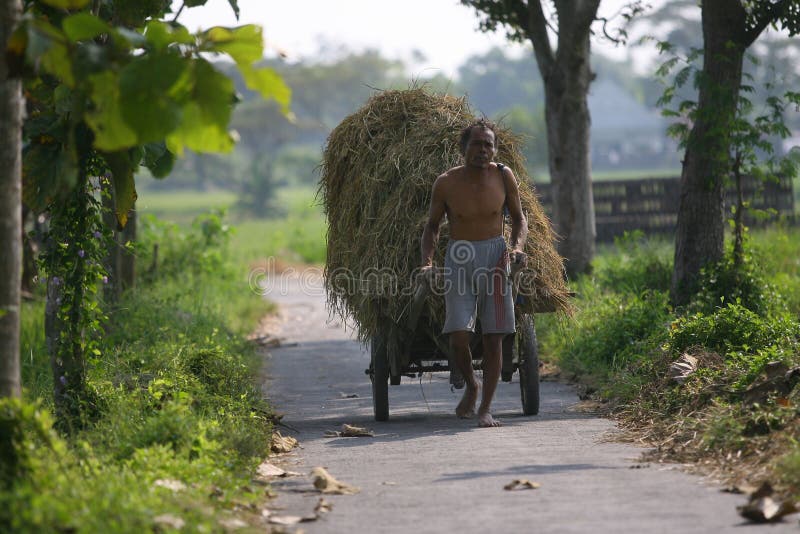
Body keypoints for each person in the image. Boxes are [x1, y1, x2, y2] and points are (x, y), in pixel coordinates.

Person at [420, 119, 528, 428]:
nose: (483, 150)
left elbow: (520, 220)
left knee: (495, 338)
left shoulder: (504, 176)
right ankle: (472, 384)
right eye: (477, 144)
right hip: (459, 256)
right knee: (458, 336)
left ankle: (485, 408)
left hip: (496, 256)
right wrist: (427, 261)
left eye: (488, 145)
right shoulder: (446, 182)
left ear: (494, 149)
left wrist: (517, 247)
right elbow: (432, 227)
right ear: (463, 148)